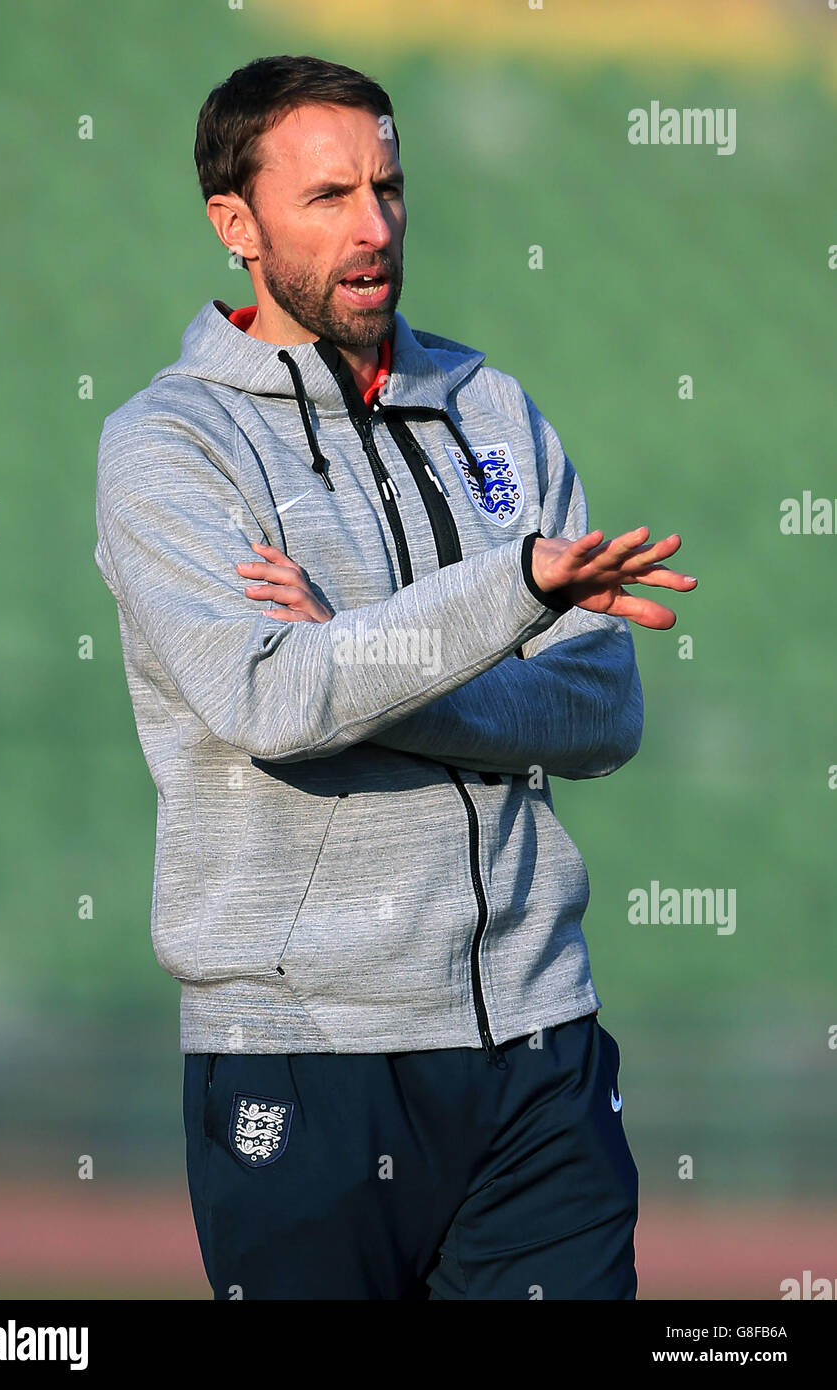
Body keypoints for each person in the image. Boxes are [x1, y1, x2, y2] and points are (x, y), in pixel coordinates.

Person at [93, 54, 697, 1300]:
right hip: (306, 1060)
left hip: (540, 1045)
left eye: (390, 185)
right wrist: (510, 593)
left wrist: (363, 658)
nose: (375, 228)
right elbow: (270, 702)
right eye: (328, 198)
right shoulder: (169, 443)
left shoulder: (490, 408)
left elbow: (599, 708)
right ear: (235, 223)